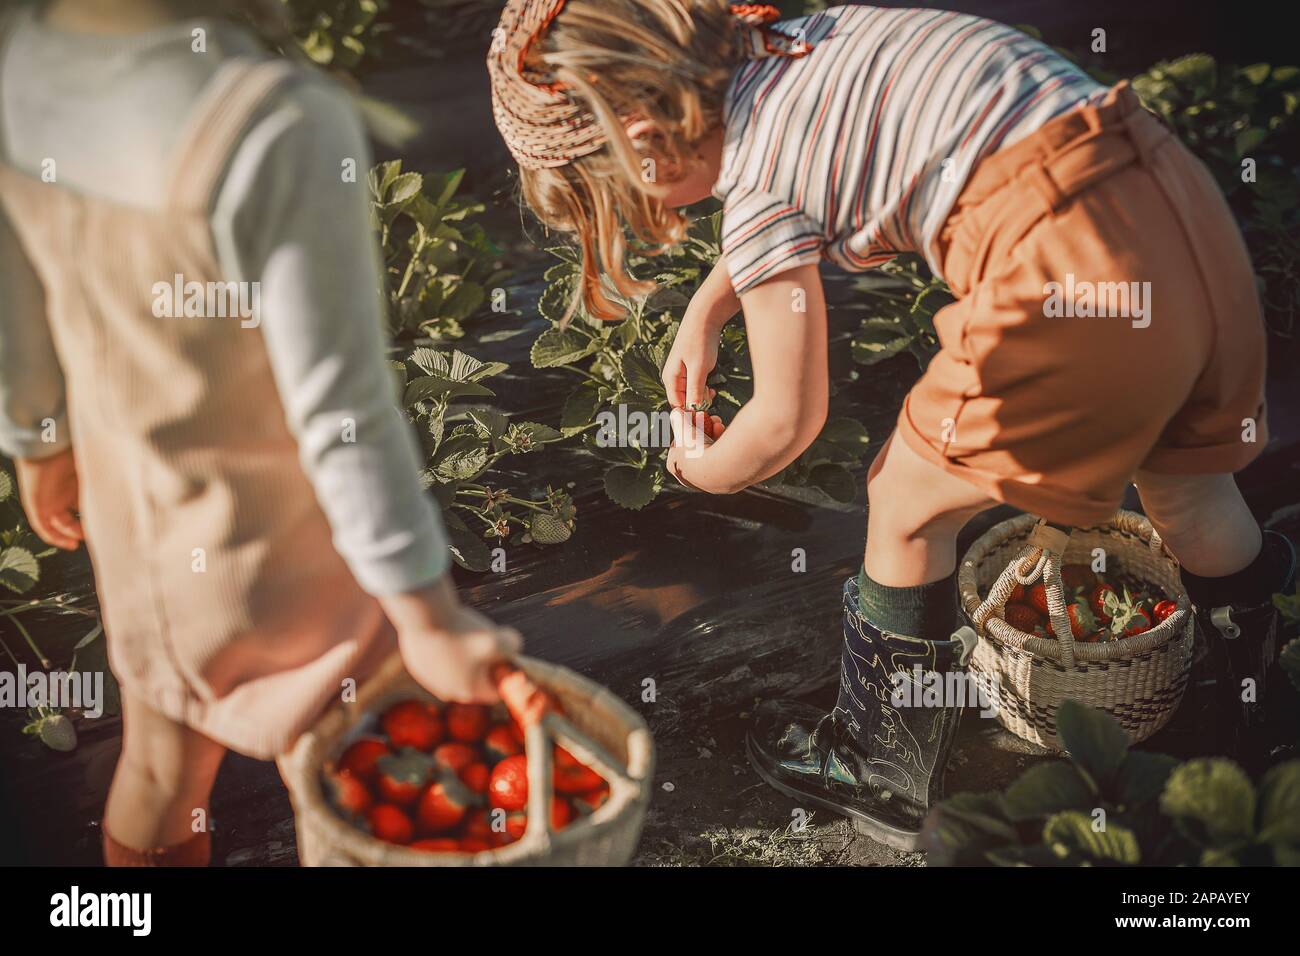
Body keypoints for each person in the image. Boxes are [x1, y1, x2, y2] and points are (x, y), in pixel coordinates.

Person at [488, 0, 1294, 848]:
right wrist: (708, 308)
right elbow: (813, 177)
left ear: (647, 141)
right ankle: (1258, 695)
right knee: (1192, 493)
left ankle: (879, 767)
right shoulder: (804, 40)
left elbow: (786, 420)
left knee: (905, 496)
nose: (647, 218)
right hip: (1177, 208)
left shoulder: (757, 185)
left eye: (619, 194)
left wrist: (699, 467)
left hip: (1063, 274)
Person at [0, 0, 519, 866]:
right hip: (285, 555)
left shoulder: (25, 61)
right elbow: (341, 412)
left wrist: (38, 435)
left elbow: (17, 285)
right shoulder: (276, 122)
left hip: (145, 538)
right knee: (367, 779)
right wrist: (428, 615)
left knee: (162, 765)